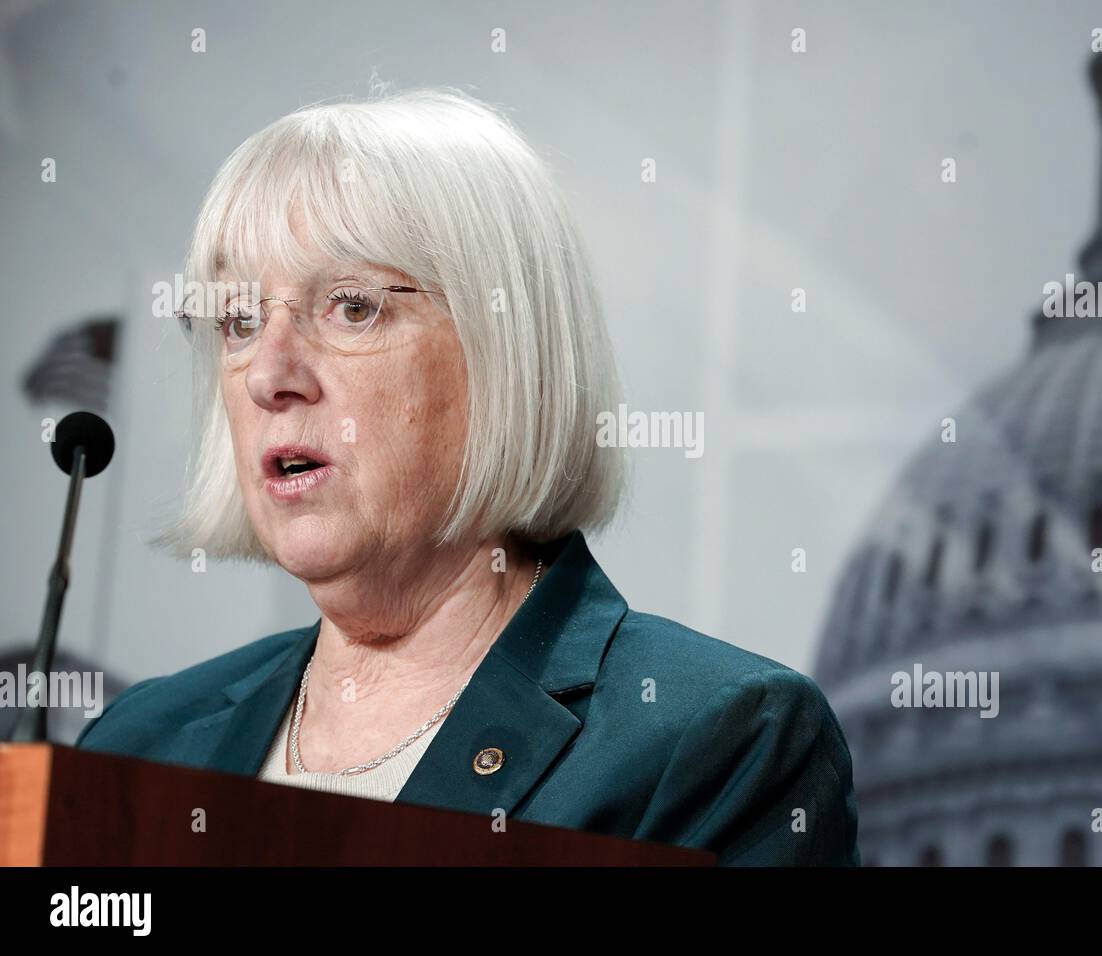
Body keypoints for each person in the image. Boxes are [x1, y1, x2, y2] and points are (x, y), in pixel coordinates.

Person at [76, 88, 859, 866]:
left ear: (503, 353)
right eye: (240, 320)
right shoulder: (138, 743)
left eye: (351, 308)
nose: (268, 375)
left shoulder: (717, 741)